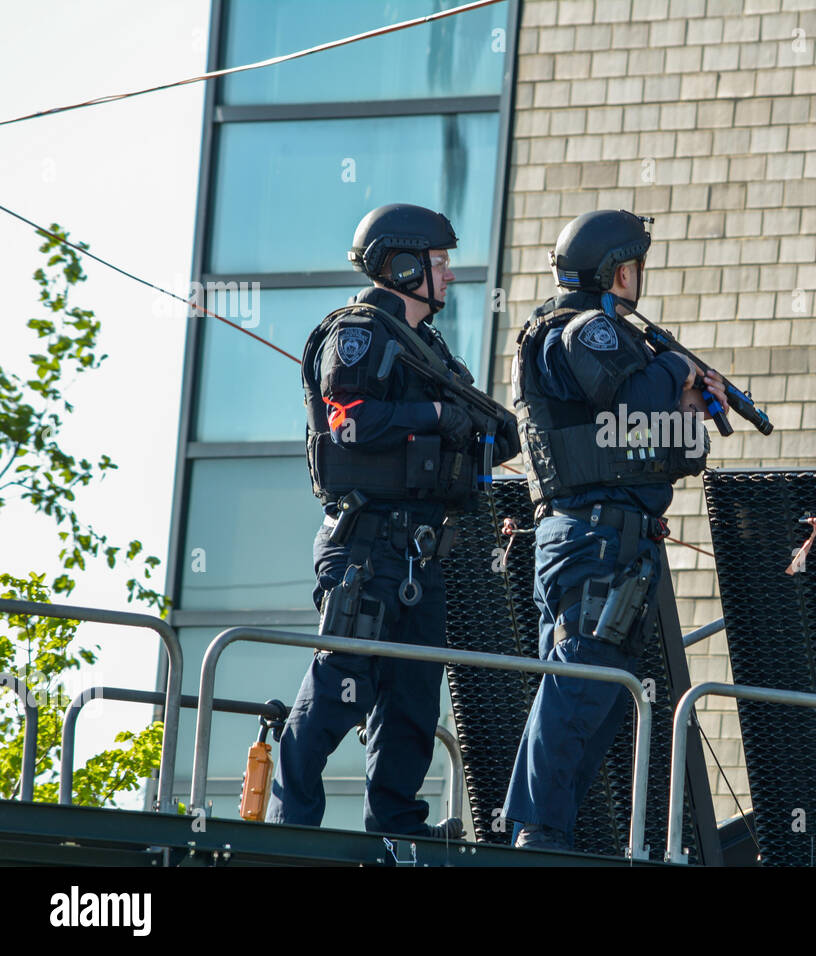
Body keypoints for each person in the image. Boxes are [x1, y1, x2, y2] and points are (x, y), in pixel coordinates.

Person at [266, 203, 519, 836]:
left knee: (412, 698)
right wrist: (434, 417)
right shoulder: (360, 334)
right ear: (402, 266)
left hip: (418, 552)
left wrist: (482, 426)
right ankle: (289, 821)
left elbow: (484, 431)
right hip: (363, 545)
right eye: (439, 263)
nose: (449, 276)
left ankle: (397, 828)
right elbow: (348, 421)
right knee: (340, 681)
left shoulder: (427, 348)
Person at [504, 209, 729, 850]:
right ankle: (536, 831)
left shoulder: (610, 340)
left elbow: (672, 447)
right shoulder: (585, 330)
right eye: (635, 267)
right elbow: (632, 404)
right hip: (592, 536)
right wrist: (676, 372)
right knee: (582, 678)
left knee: (597, 693)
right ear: (619, 270)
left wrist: (686, 404)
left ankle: (547, 828)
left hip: (614, 536)